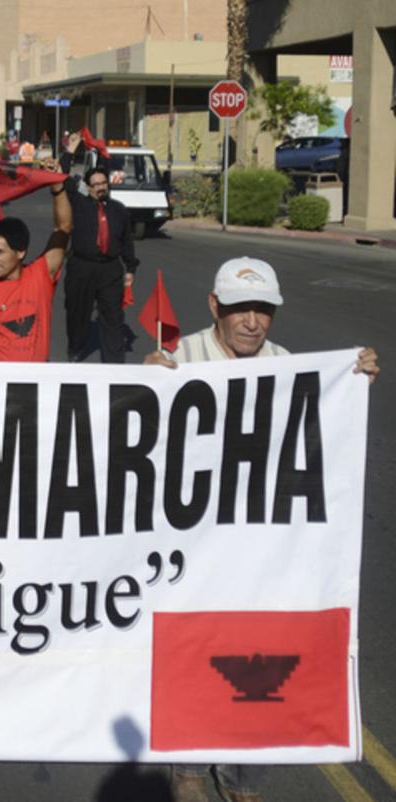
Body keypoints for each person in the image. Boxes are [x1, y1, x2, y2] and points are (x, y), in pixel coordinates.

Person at [146, 257, 378, 802]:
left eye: (263, 310)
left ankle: (244, 773)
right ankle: (190, 768)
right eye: (239, 309)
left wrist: (354, 377)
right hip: (195, 552)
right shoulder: (180, 359)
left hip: (257, 552)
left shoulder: (284, 364)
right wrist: (148, 380)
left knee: (257, 664)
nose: (252, 321)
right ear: (214, 308)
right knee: (196, 653)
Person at [0, 158, 73, 361]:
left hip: (38, 385)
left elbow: (63, 229)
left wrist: (57, 187)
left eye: (0, 252)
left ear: (20, 252)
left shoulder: (40, 276)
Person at [59, 131, 138, 363]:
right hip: (81, 267)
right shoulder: (79, 204)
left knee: (113, 317)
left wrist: (130, 268)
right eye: (96, 185)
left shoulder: (119, 210)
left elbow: (126, 242)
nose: (101, 188)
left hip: (110, 270)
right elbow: (61, 180)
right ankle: (75, 348)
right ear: (88, 187)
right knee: (77, 314)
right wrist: (69, 153)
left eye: (104, 183)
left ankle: (113, 363)